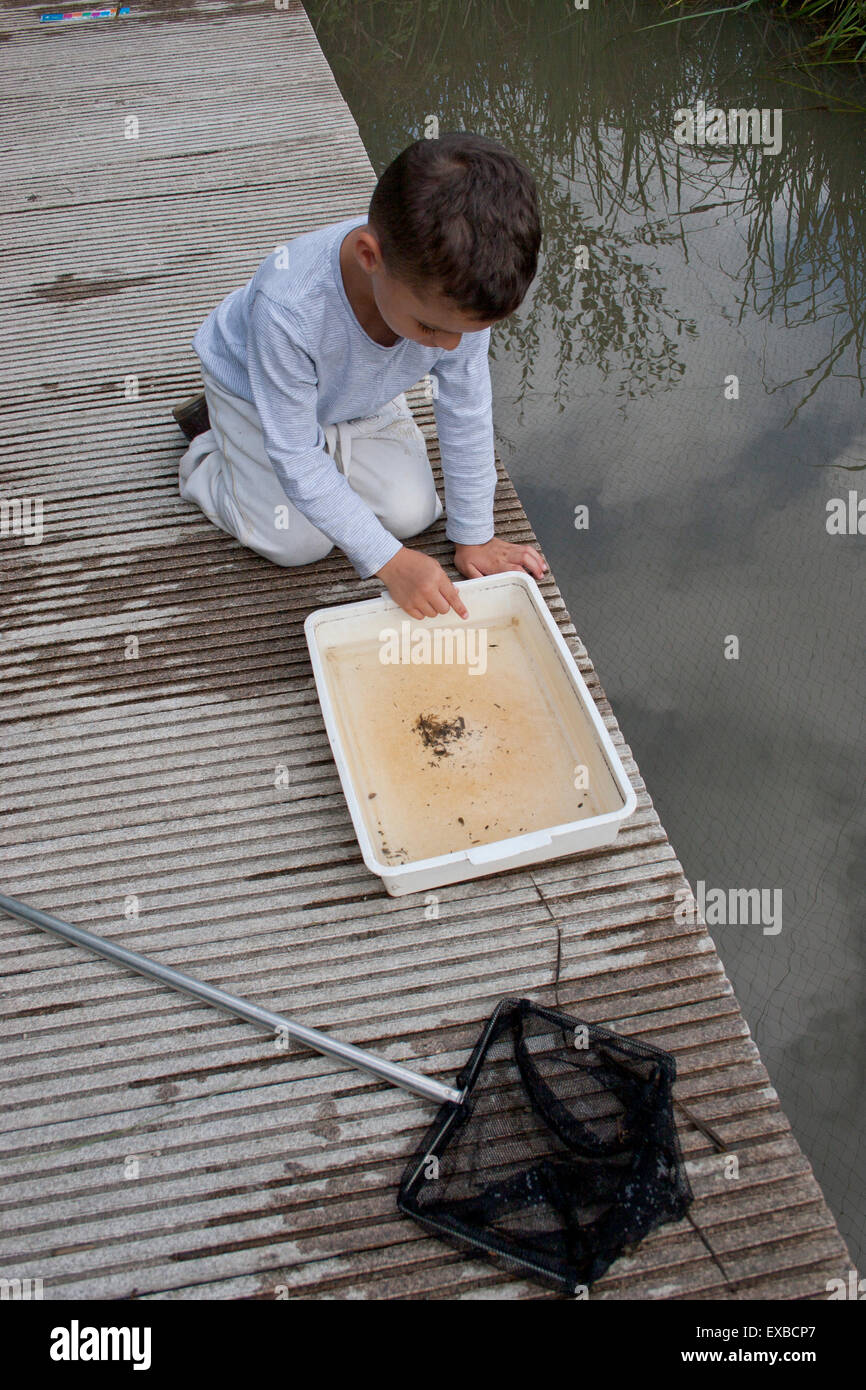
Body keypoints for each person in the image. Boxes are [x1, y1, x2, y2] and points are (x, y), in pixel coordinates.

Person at [176, 132, 548, 620]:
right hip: (252, 390)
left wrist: (474, 533)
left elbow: (466, 408)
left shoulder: (454, 296)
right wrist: (390, 562)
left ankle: (330, 435)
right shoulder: (288, 308)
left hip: (355, 392)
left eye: (466, 332)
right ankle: (211, 446)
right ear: (370, 257)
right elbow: (294, 454)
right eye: (432, 328)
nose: (453, 347)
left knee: (414, 512)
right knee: (292, 541)